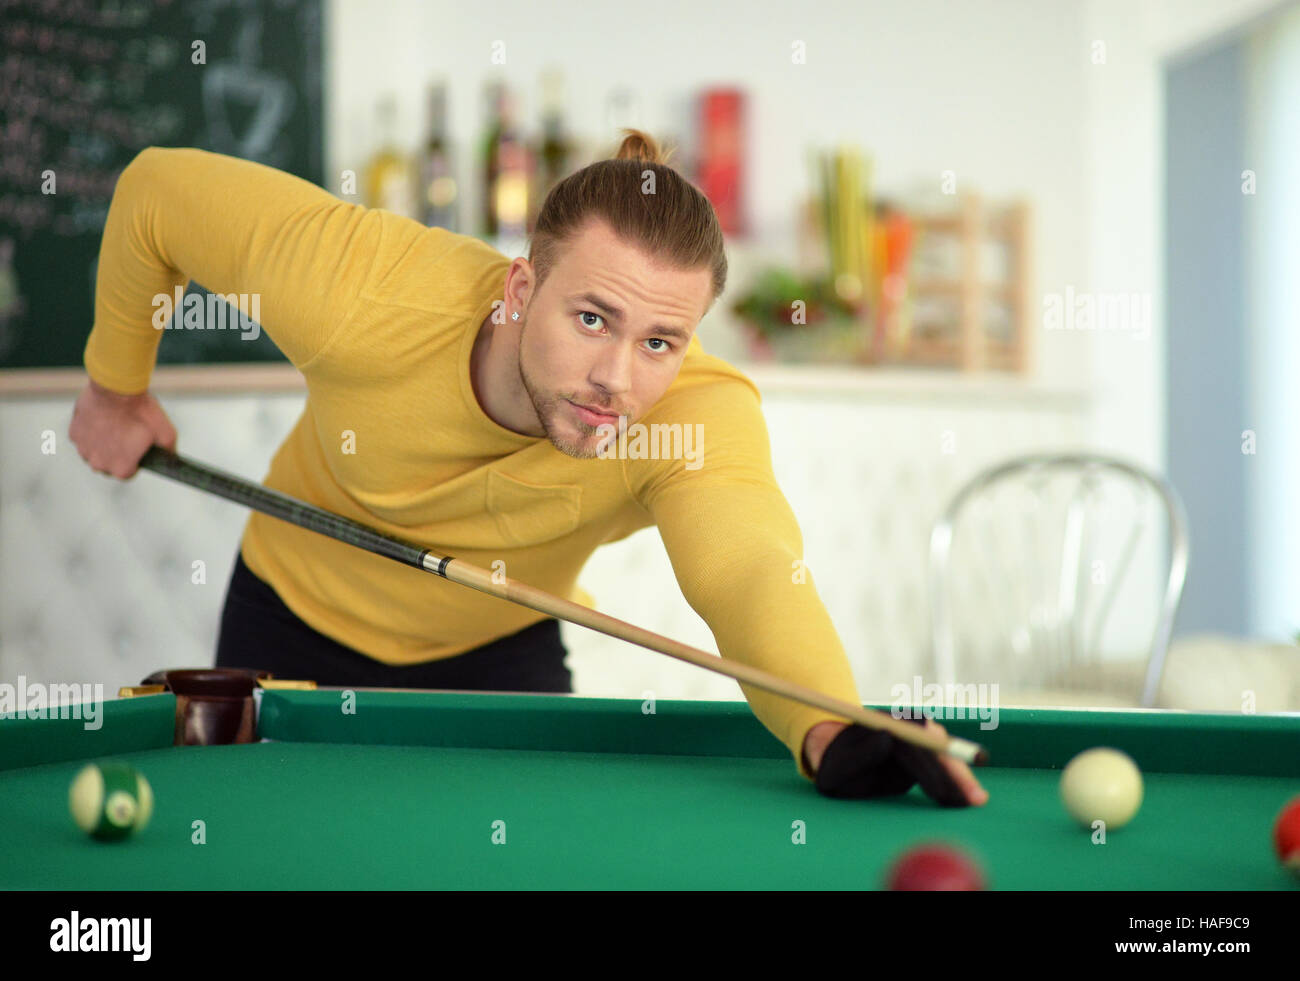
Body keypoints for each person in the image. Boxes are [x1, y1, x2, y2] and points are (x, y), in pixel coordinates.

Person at [69, 129, 986, 806]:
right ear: (521, 289)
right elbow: (156, 190)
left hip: (500, 647)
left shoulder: (695, 412)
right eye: (591, 318)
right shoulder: (361, 287)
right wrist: (116, 388)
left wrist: (825, 724)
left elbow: (747, 568)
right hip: (292, 621)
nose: (616, 379)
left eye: (661, 339)